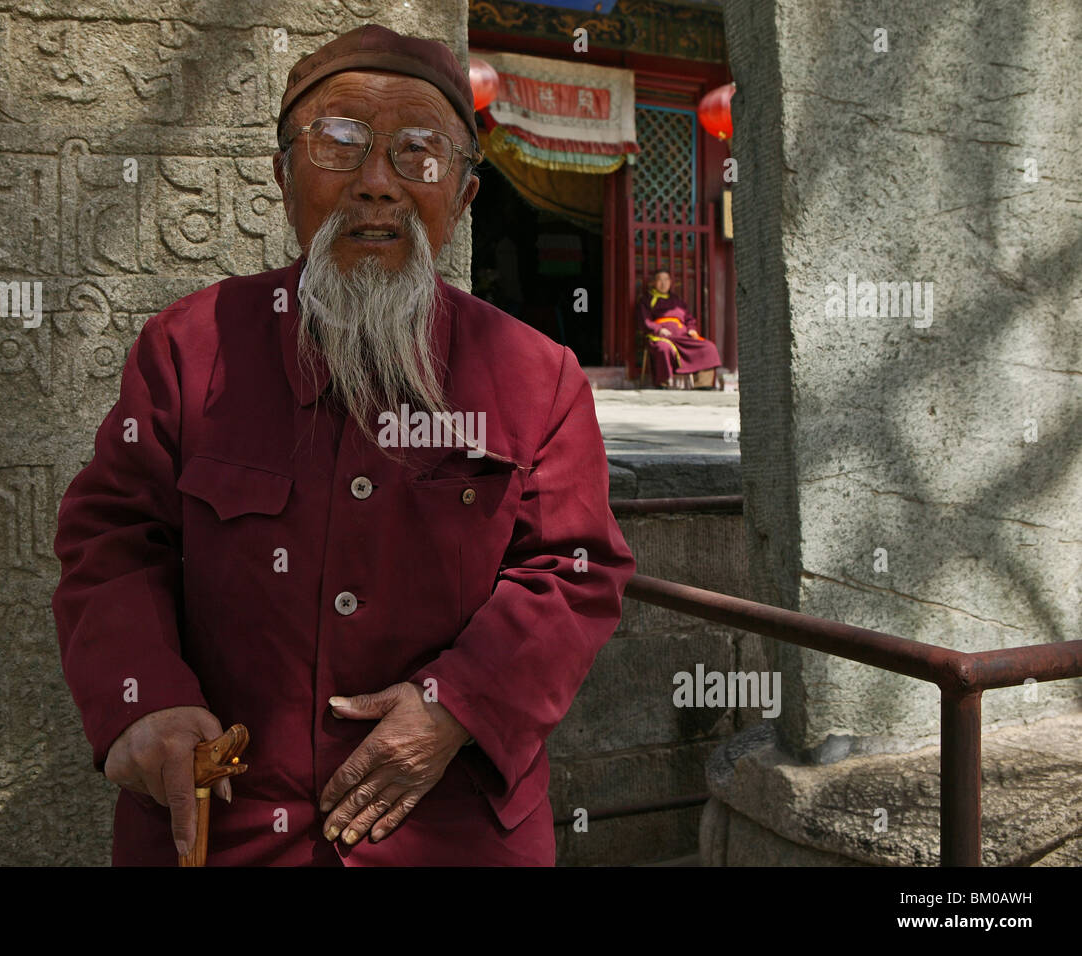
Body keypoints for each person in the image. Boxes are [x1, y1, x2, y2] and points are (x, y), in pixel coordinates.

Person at [51, 24, 635, 867]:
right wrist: (142, 700)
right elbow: (113, 539)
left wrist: (457, 706)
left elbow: (574, 572)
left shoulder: (538, 377)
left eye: (418, 153)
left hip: (456, 834)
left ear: (465, 196)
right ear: (283, 175)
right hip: (223, 831)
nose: (376, 186)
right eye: (340, 145)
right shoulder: (190, 349)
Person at [635, 270, 722, 388]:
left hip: (683, 337)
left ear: (671, 283)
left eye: (666, 280)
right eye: (660, 280)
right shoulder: (647, 300)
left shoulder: (677, 301)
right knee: (663, 348)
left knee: (708, 347)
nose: (663, 283)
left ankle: (702, 384)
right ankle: (664, 383)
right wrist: (659, 329)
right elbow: (645, 321)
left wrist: (692, 329)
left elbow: (689, 319)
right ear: (654, 283)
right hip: (662, 337)